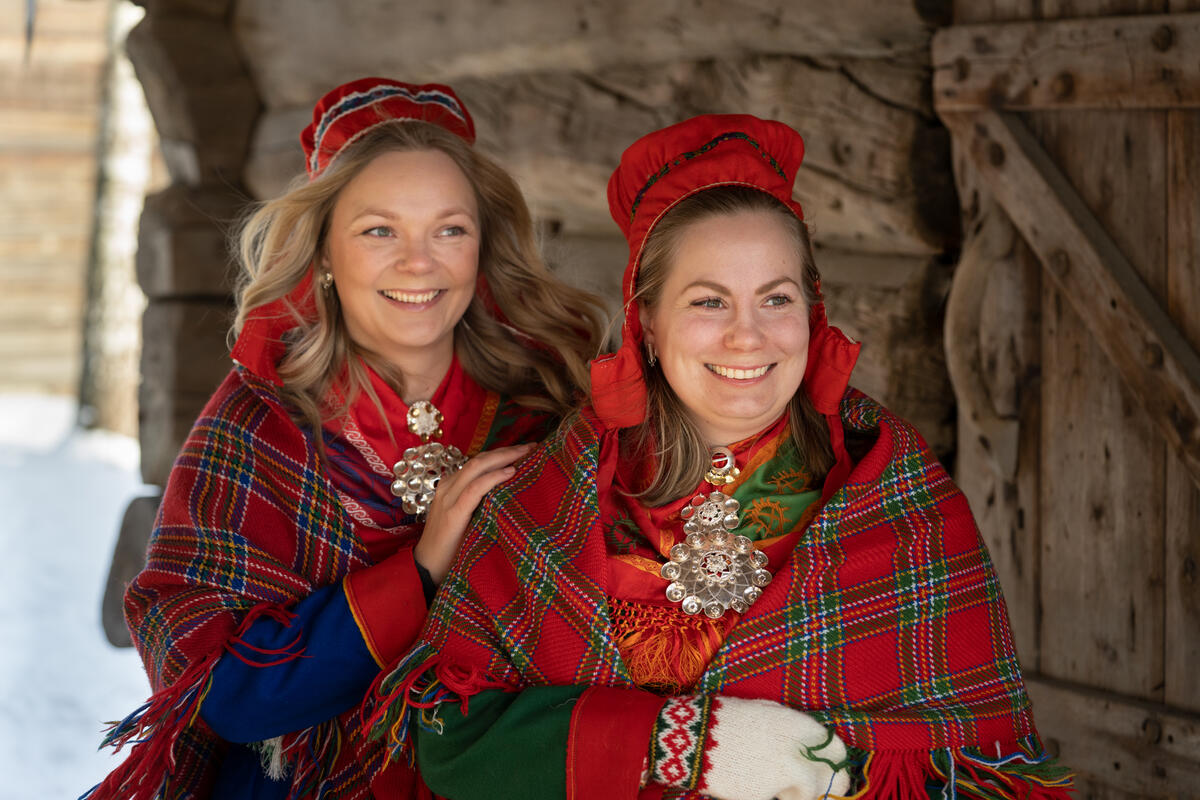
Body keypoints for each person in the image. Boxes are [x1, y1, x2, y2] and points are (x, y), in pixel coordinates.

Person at [364, 114, 1074, 799]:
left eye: (776, 299)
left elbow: (956, 767)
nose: (748, 336)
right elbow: (452, 741)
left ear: (812, 313)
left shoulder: (892, 495)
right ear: (646, 322)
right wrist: (686, 742)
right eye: (709, 302)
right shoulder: (551, 496)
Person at [84, 78, 606, 800]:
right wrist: (420, 570)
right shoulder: (259, 426)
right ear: (325, 252)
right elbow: (221, 691)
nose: (418, 263)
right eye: (379, 230)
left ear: (482, 248)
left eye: (448, 229)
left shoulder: (549, 410)